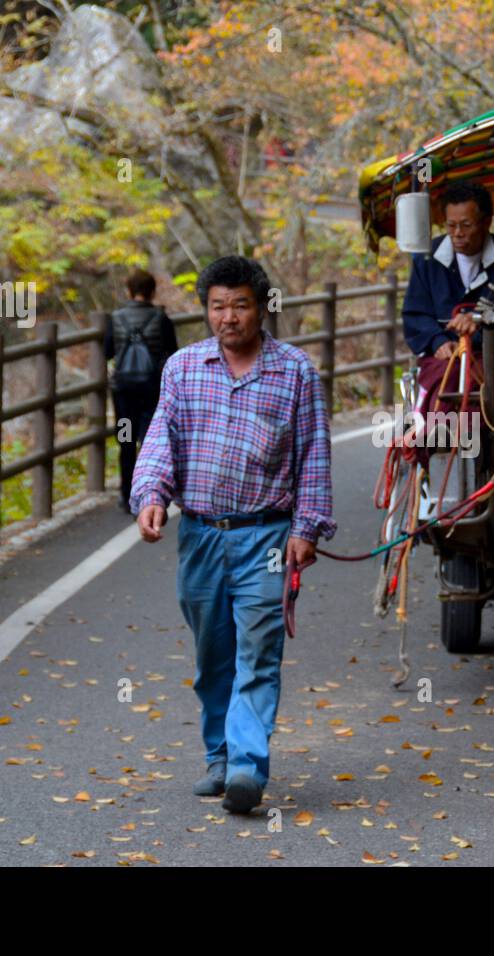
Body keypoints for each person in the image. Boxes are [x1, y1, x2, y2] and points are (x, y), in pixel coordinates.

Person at [129, 255, 336, 815]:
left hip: (265, 539)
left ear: (260, 307)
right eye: (217, 306)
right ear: (206, 311)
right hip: (199, 535)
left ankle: (247, 766)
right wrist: (151, 495)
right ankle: (219, 757)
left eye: (239, 305)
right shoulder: (182, 368)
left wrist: (307, 526)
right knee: (213, 656)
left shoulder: (294, 372)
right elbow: (158, 444)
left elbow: (313, 455)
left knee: (259, 651)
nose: (228, 317)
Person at [400, 181, 494, 423]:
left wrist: (481, 325)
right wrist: (438, 341)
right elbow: (415, 313)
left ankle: (481, 445)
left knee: (489, 390)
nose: (457, 234)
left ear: (486, 222)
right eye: (451, 226)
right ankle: (433, 436)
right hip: (443, 356)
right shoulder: (427, 258)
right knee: (443, 380)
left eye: (466, 225)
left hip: (492, 358)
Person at [104, 270, 179, 511]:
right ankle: (146, 496)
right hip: (151, 387)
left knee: (126, 440)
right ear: (152, 291)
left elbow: (107, 351)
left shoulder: (115, 318)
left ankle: (126, 495)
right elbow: (172, 350)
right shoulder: (160, 317)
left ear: (129, 290)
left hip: (124, 389)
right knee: (149, 441)